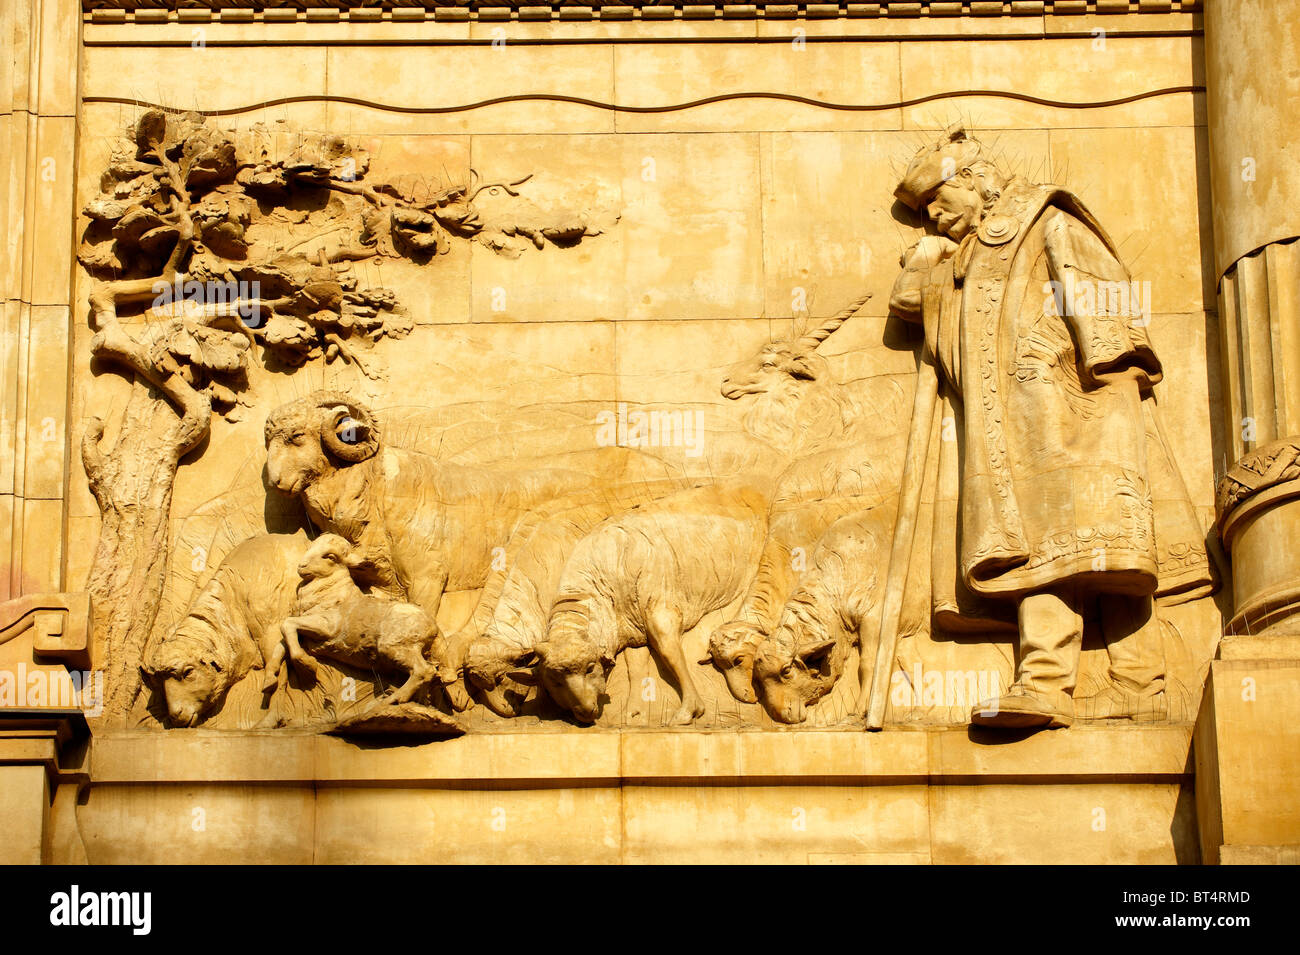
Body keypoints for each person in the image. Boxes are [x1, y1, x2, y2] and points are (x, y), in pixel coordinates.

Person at [887, 125, 1214, 728]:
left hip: (1073, 405)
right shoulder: (966, 253)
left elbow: (1098, 287)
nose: (933, 215)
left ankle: (1069, 681)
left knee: (1086, 544)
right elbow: (913, 307)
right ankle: (1108, 683)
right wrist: (924, 262)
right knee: (1050, 544)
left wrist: (1099, 362)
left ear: (973, 180)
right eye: (924, 210)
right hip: (1012, 423)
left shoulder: (1042, 216)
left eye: (938, 198)